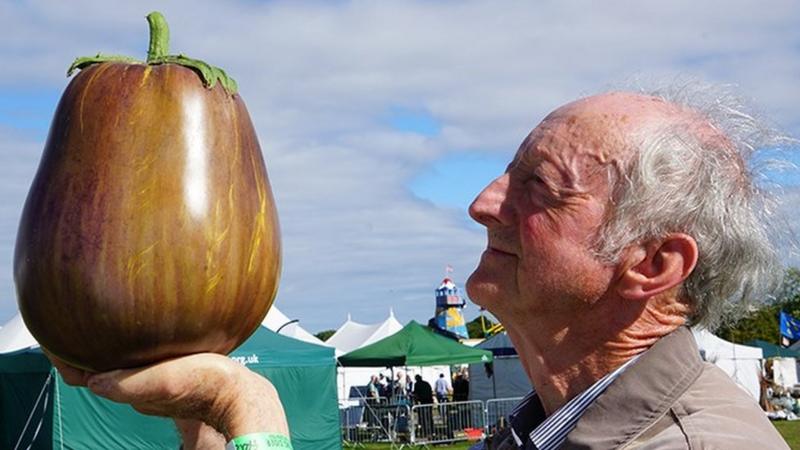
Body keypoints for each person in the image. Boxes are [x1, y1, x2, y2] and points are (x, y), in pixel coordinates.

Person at [49, 85, 793, 449]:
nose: (482, 201)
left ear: (654, 263)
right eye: (506, 172)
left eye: (539, 187)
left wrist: (252, 415)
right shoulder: (550, 428)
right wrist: (208, 417)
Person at [412, 374, 435, 439]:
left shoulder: (417, 384)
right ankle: (432, 431)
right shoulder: (426, 383)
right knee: (429, 417)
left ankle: (425, 432)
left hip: (423, 402)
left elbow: (416, 394)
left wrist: (416, 402)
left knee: (423, 418)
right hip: (429, 401)